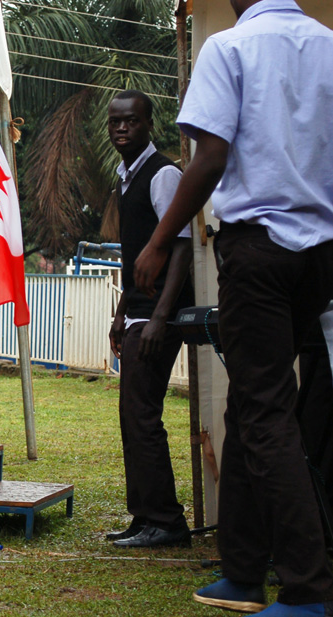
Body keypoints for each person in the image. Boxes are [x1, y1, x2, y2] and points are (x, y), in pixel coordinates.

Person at [133, 0, 333, 614]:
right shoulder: (328, 44)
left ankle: (307, 590)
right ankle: (244, 570)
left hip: (258, 251)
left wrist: (160, 240)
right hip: (321, 254)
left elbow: (211, 156)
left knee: (267, 413)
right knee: (252, 405)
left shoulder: (228, 47)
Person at [105, 90, 194, 549]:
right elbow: (137, 254)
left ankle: (166, 522)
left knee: (142, 414)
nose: (122, 128)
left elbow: (180, 248)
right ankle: (145, 518)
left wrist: (161, 318)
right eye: (115, 122)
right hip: (138, 312)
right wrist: (122, 312)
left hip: (160, 315)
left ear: (148, 125)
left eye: (131, 122)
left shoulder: (162, 174)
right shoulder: (126, 177)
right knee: (132, 415)